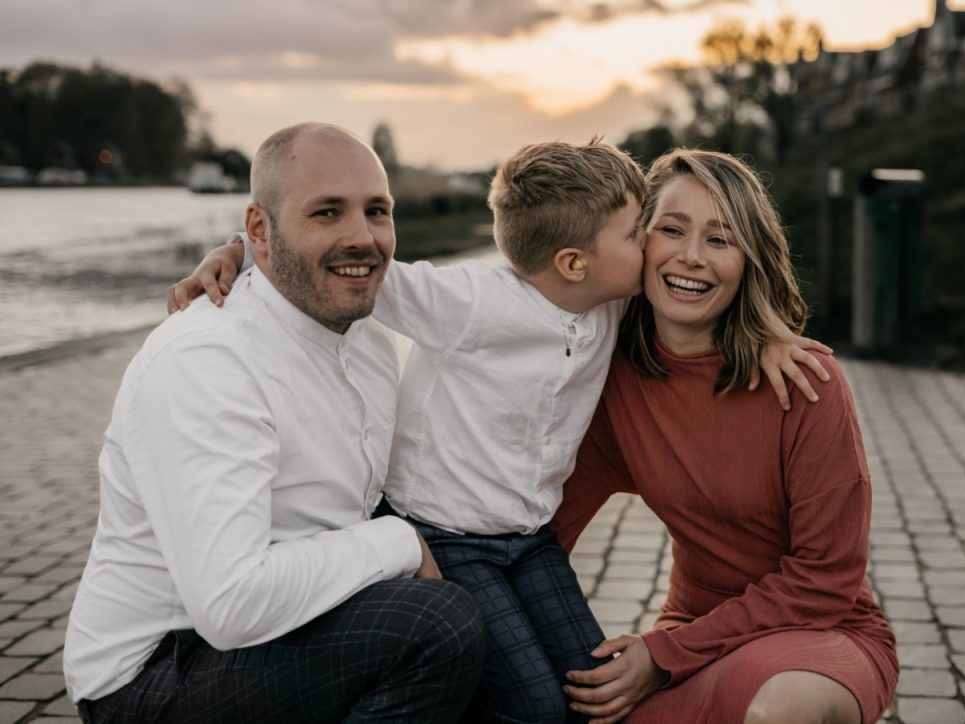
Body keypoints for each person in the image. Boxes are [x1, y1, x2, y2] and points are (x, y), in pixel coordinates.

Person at [169, 138, 830, 724]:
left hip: (528, 540)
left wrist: (768, 338)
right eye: (641, 232)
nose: (655, 247)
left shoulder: (611, 300)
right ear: (574, 262)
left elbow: (703, 297)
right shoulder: (472, 305)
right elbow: (352, 264)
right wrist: (240, 250)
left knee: (590, 685)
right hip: (447, 537)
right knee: (535, 706)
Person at [64, 123, 487, 724]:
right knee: (435, 626)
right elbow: (231, 605)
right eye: (327, 213)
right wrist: (397, 542)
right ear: (260, 229)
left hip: (283, 621)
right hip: (155, 670)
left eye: (377, 212)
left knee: (489, 628)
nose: (362, 237)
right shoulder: (208, 361)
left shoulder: (361, 334)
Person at [550, 149, 899, 724]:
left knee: (775, 712)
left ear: (748, 260)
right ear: (641, 244)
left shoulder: (804, 382)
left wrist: (661, 659)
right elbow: (549, 525)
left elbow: (825, 579)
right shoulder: (612, 381)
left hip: (819, 635)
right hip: (693, 631)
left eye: (720, 239)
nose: (691, 257)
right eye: (671, 229)